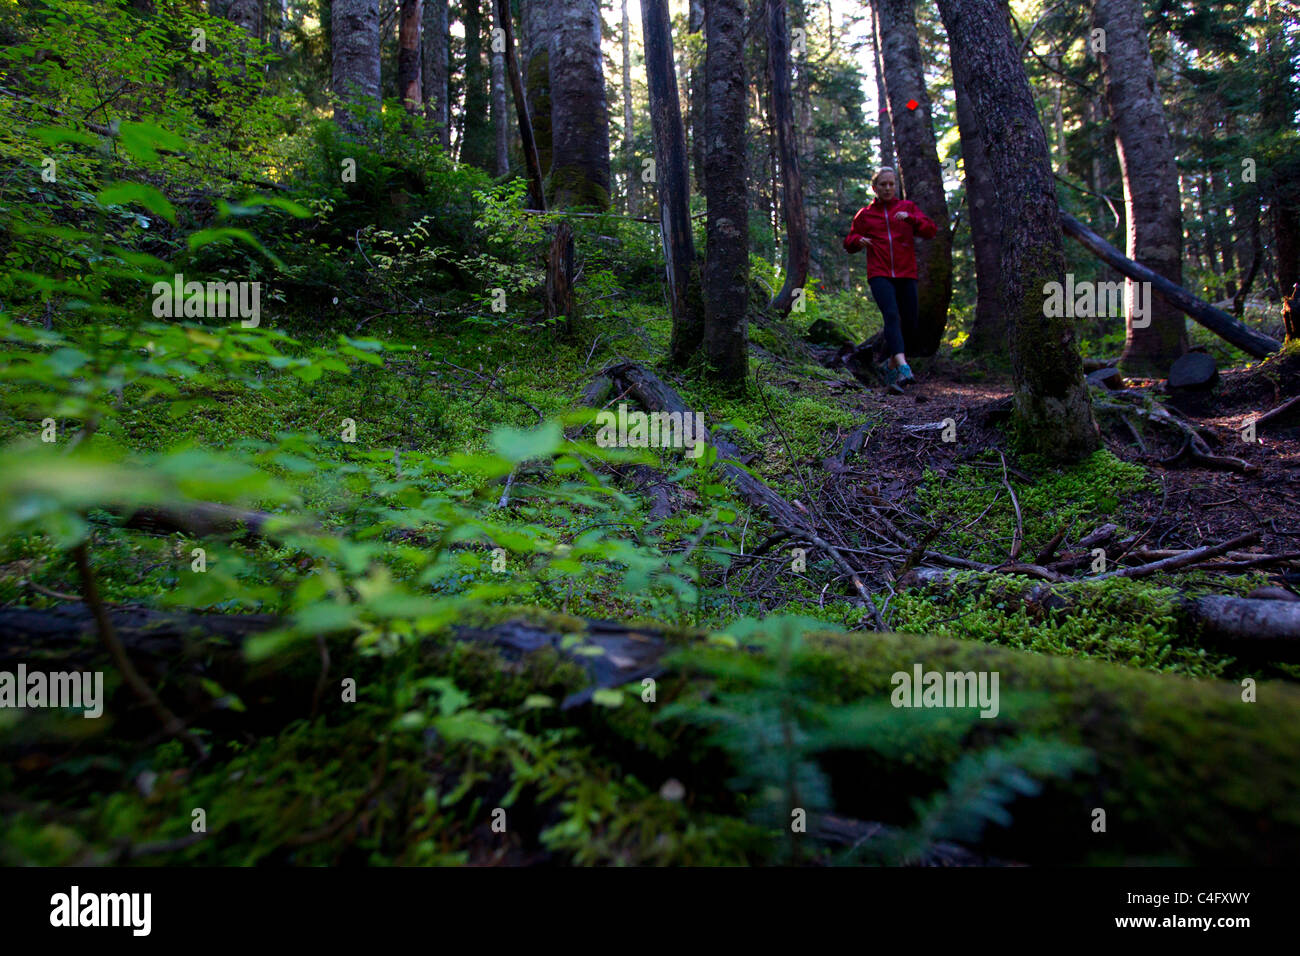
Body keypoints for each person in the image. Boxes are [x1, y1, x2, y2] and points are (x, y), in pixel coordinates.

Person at [842, 167, 937, 389]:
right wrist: (858, 240)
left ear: (896, 186)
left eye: (891, 184)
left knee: (911, 321)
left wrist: (912, 220)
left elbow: (930, 231)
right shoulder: (865, 214)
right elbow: (849, 242)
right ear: (874, 188)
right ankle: (904, 367)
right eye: (883, 184)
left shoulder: (907, 208)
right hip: (879, 273)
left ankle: (891, 364)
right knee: (892, 315)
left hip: (906, 273)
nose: (887, 188)